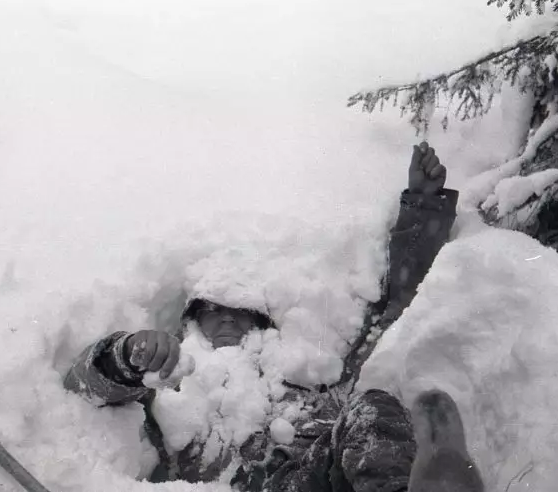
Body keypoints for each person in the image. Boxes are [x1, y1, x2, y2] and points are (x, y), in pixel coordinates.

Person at [65, 141, 459, 492]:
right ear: (192, 323)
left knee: (371, 407)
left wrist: (422, 212)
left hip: (301, 482)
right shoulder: (168, 385)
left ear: (260, 326)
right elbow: (82, 390)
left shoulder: (302, 383)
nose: (225, 320)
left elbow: (391, 318)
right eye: (212, 311)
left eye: (240, 314)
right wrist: (126, 355)